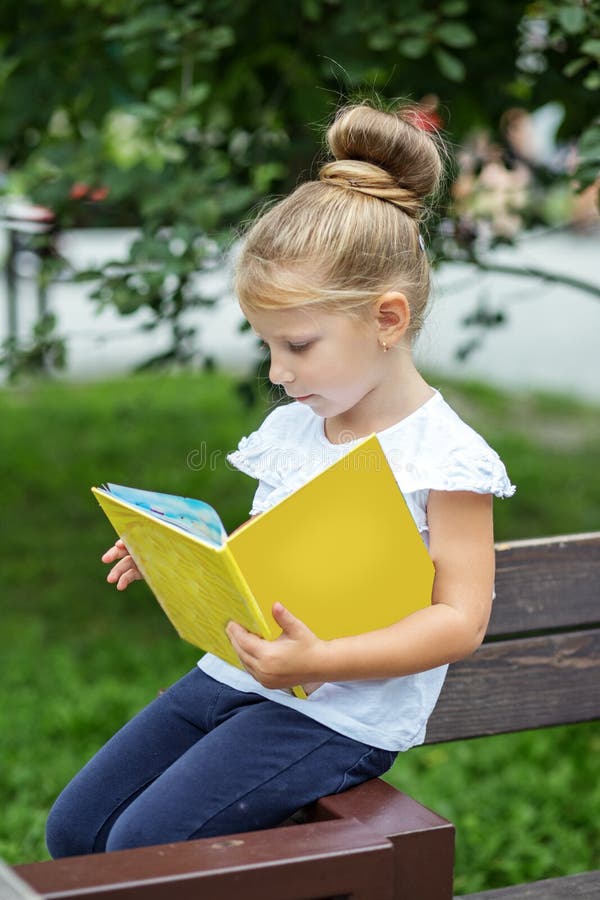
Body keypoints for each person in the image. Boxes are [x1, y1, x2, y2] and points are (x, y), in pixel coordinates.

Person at [46, 102, 514, 857]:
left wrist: (319, 662)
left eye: (297, 344)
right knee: (74, 828)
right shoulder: (298, 425)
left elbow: (460, 622)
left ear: (387, 319)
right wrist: (181, 558)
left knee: (147, 838)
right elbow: (282, 554)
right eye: (266, 345)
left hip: (333, 714)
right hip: (236, 674)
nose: (277, 371)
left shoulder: (444, 457)